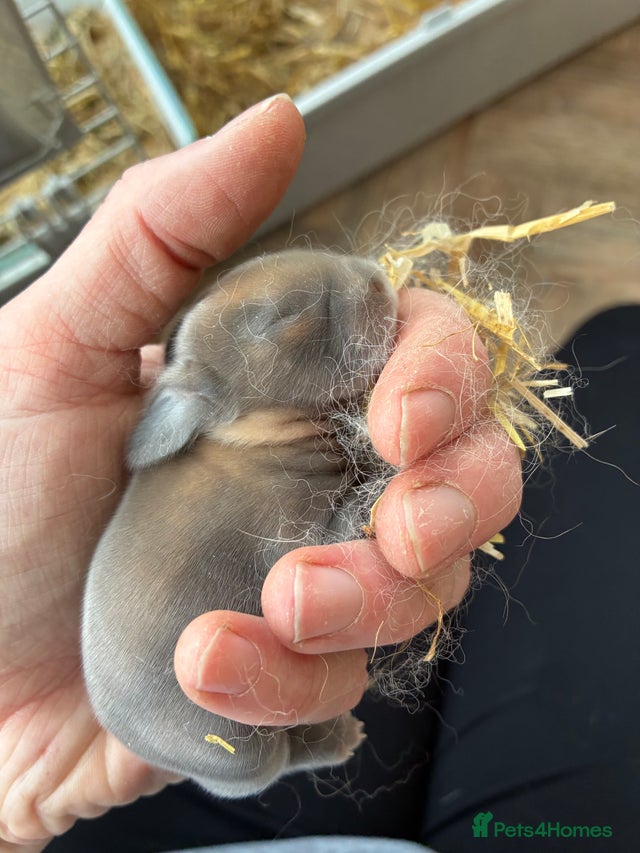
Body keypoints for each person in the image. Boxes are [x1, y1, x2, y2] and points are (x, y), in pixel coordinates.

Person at [3, 94, 636, 853]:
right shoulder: (230, 458)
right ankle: (282, 749)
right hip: (201, 737)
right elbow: (326, 527)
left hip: (98, 772)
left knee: (615, 349)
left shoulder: (240, 434)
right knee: (621, 354)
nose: (369, 284)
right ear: (197, 401)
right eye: (287, 323)